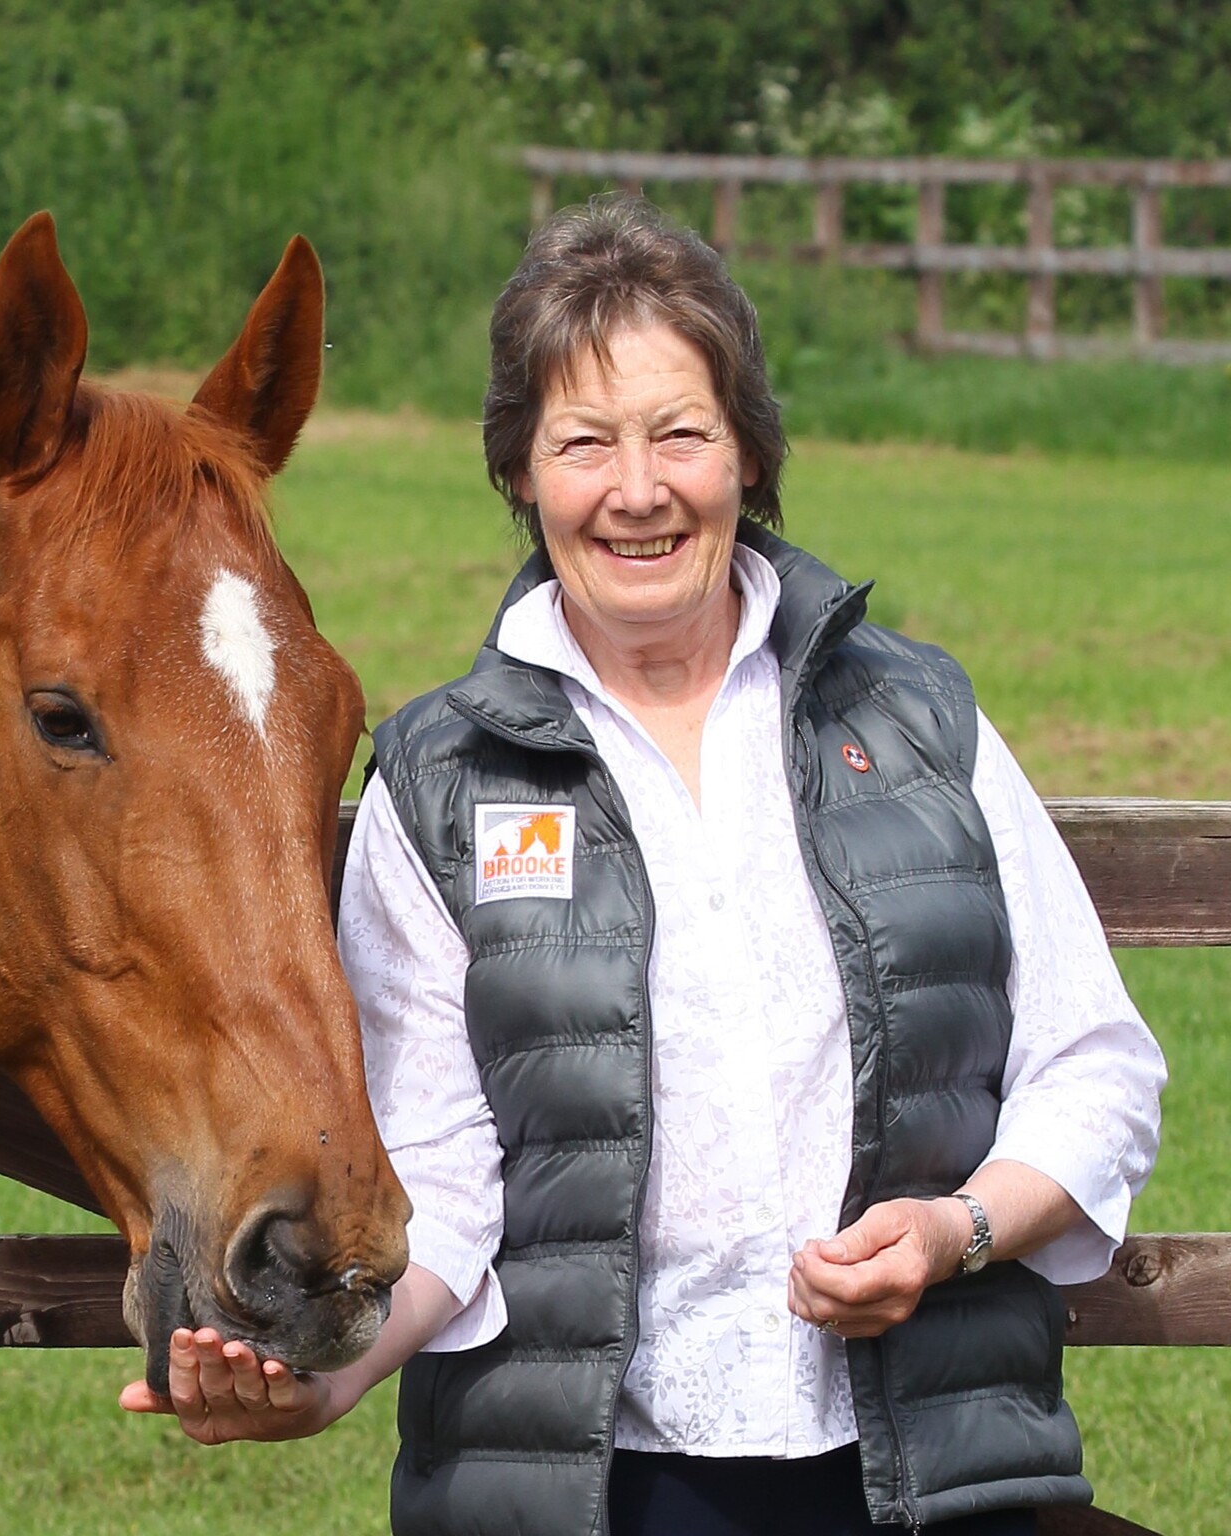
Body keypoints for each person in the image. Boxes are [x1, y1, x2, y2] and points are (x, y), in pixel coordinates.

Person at [120, 195, 1165, 1535]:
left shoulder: (914, 718)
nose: (637, 490)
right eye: (584, 443)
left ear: (746, 455)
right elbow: (439, 1178)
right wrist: (321, 1379)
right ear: (520, 473)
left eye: (682, 433)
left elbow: (1098, 1067)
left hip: (925, 1476)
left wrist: (955, 1230)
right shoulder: (444, 780)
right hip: (597, 1494)